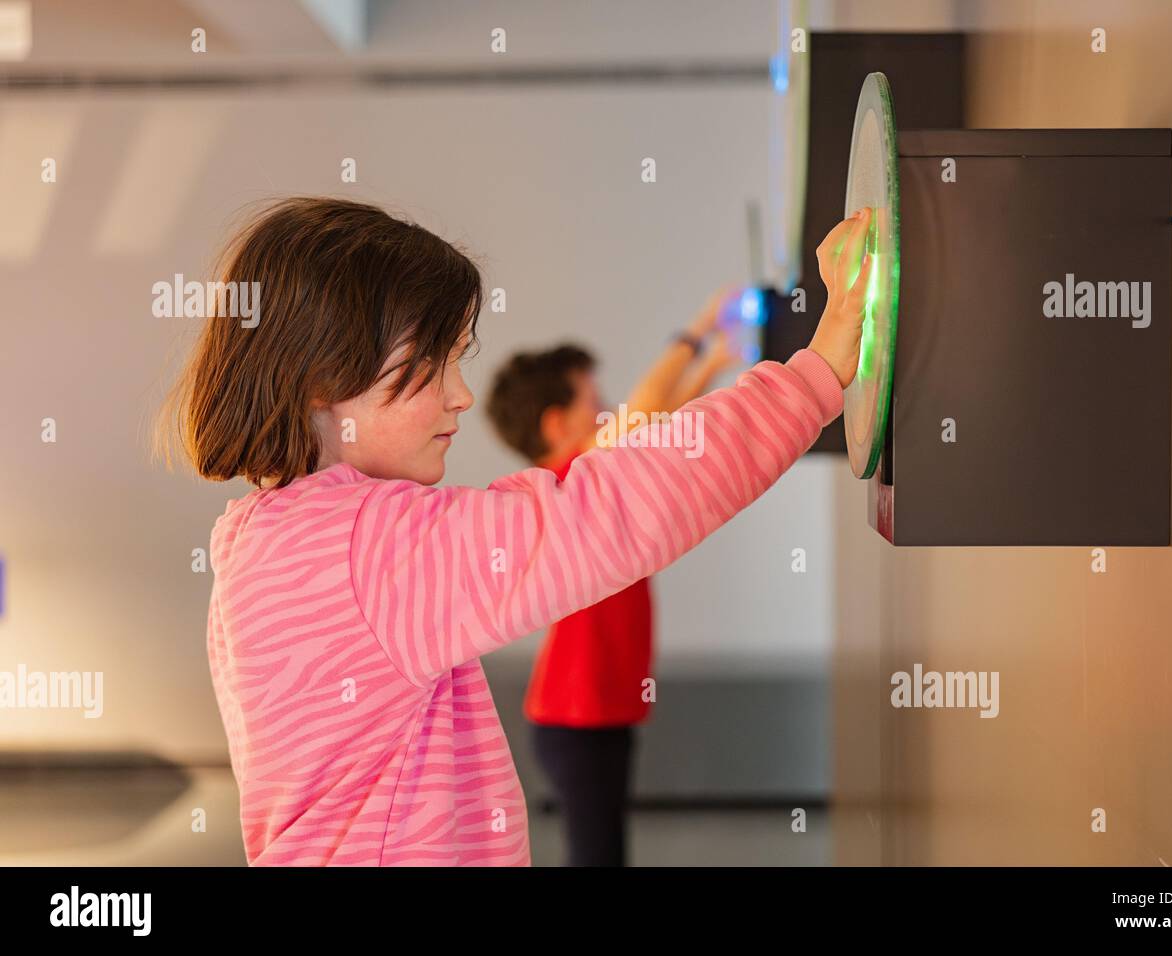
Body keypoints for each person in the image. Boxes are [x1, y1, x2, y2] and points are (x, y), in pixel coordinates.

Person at [157, 195, 873, 866]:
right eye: (431, 365)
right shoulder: (364, 548)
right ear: (323, 377)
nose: (459, 395)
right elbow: (615, 509)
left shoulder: (261, 541)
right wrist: (816, 374)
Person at [484, 293, 740, 866]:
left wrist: (710, 369)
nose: (608, 411)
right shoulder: (567, 479)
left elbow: (656, 427)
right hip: (577, 720)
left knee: (604, 854)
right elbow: (644, 414)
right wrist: (695, 330)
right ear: (558, 424)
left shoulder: (584, 476)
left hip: (597, 715)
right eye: (594, 402)